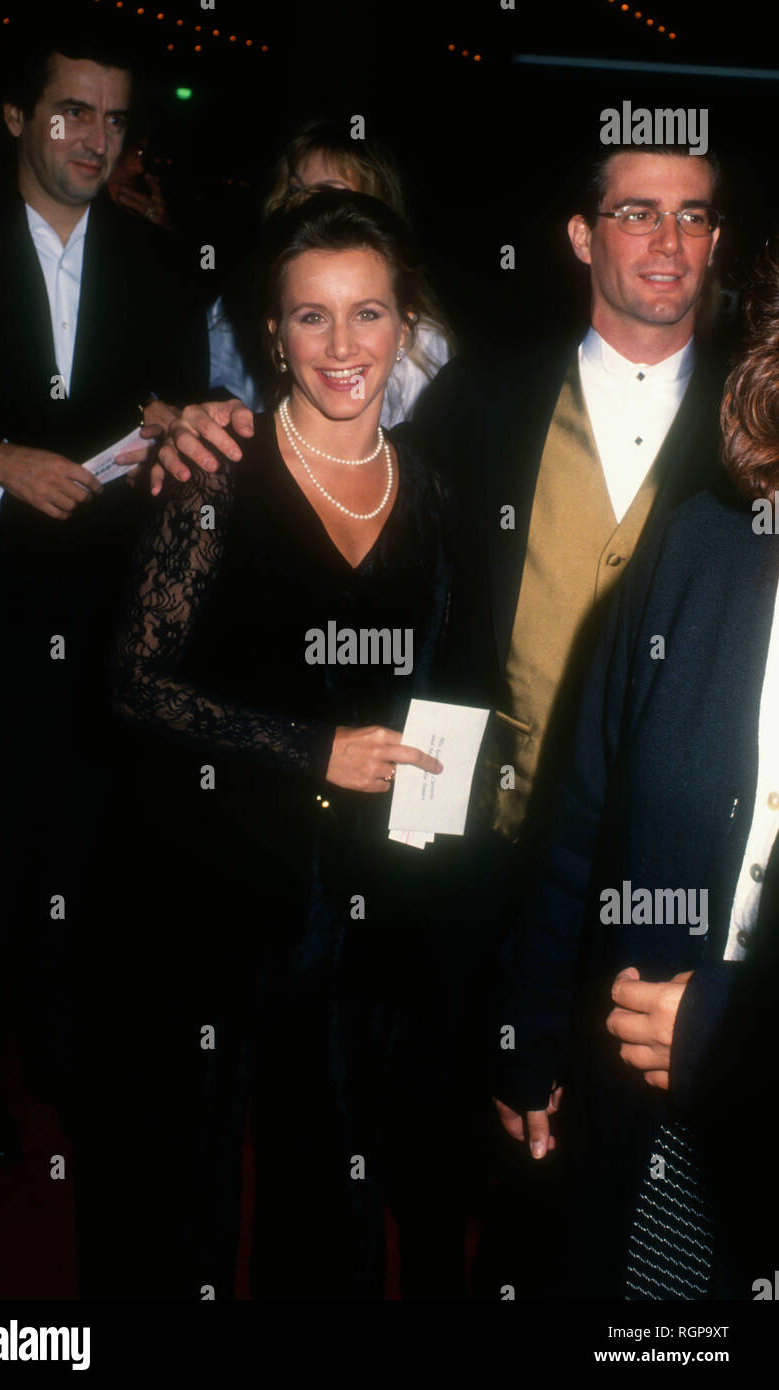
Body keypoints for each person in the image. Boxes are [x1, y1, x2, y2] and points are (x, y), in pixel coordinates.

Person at [149, 140, 735, 1296]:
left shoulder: (752, 423)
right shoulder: (490, 394)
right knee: (428, 1138)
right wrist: (207, 433)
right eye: (636, 214)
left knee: (611, 1190)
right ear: (581, 235)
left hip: (661, 887)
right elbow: (347, 481)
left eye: (695, 218)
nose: (668, 246)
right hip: (463, 849)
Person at [75, 189, 469, 1300]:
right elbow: (135, 683)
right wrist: (312, 748)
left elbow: (437, 689)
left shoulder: (437, 494)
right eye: (312, 317)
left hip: (349, 918)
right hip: (203, 890)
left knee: (330, 1188)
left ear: (407, 327)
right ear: (271, 333)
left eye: (369, 314)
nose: (344, 347)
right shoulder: (211, 480)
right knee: (182, 1192)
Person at [0, 13, 207, 1160]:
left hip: (100, 621)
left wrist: (173, 430)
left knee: (79, 855)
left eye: (114, 117)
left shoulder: (155, 264)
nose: (98, 139)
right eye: (71, 111)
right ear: (15, 115)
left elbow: (184, 422)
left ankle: (59, 1054)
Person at [490, 240, 779, 1298]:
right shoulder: (701, 544)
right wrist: (527, 1042)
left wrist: (734, 1029)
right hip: (644, 1138)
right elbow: (584, 815)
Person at [207, 118, 453, 428]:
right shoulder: (234, 310)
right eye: (295, 190)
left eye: (328, 193)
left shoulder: (422, 346)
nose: (302, 205)